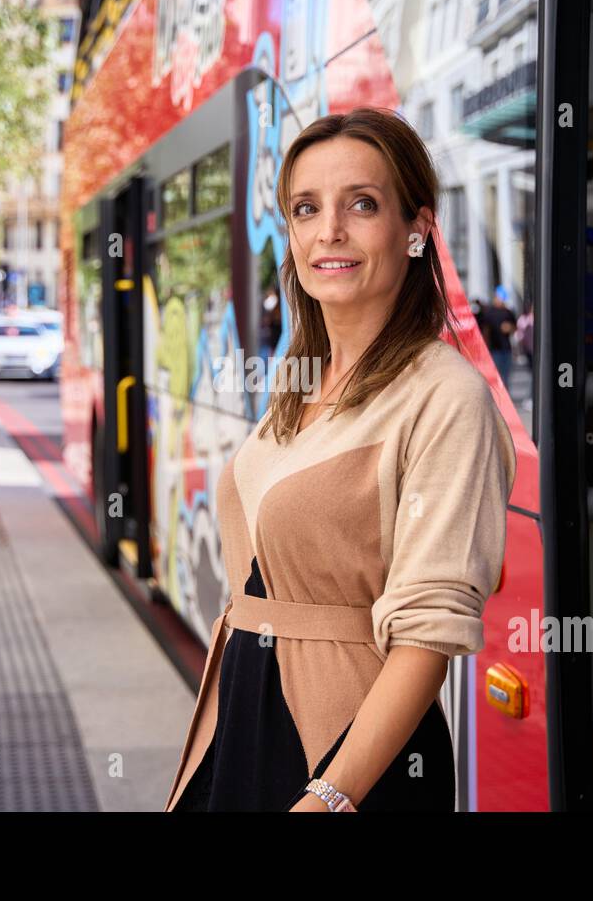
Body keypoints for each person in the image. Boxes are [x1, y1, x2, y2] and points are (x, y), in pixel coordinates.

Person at [165, 108, 517, 813]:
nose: (329, 230)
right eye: (306, 208)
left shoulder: (446, 397)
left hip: (353, 754)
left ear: (416, 231)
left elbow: (428, 634)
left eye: (361, 204)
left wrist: (330, 797)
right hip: (242, 720)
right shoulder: (301, 380)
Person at [481, 285, 518, 389]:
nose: (501, 300)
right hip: (494, 349)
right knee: (495, 378)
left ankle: (505, 402)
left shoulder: (508, 312)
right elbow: (485, 330)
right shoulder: (489, 312)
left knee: (505, 377)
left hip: (506, 349)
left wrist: (510, 327)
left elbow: (515, 328)